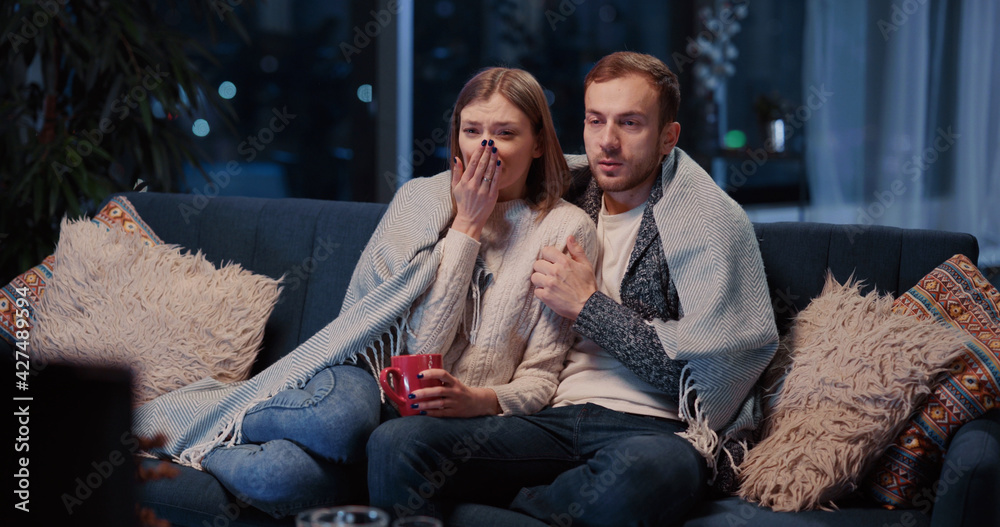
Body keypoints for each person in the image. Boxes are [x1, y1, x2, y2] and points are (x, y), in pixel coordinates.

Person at [133, 67, 598, 518]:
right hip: (367, 378)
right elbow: (418, 350)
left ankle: (206, 441)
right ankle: (216, 412)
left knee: (279, 478)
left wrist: (480, 400)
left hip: (429, 430)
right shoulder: (422, 199)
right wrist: (467, 227)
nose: (485, 148)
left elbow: (540, 378)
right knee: (339, 424)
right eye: (472, 130)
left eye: (506, 133)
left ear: (539, 142)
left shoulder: (566, 229)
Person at [367, 51, 779, 525]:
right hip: (548, 420)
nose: (608, 142)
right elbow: (483, 170)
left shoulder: (707, 223)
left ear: (669, 137)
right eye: (595, 120)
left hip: (653, 432)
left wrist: (588, 306)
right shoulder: (563, 192)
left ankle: (509, 511)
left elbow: (704, 379)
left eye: (630, 123)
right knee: (396, 444)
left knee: (651, 472)